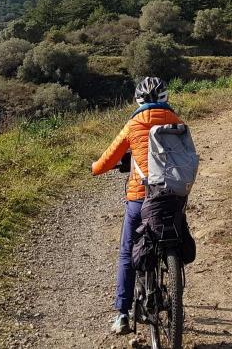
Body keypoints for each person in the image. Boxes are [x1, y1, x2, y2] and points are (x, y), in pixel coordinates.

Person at [90, 76, 183, 335]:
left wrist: (94, 168)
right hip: (173, 195)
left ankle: (122, 313)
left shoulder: (133, 125)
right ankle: (175, 279)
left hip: (140, 197)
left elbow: (108, 159)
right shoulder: (178, 123)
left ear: (138, 100)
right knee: (174, 232)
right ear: (165, 98)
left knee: (127, 251)